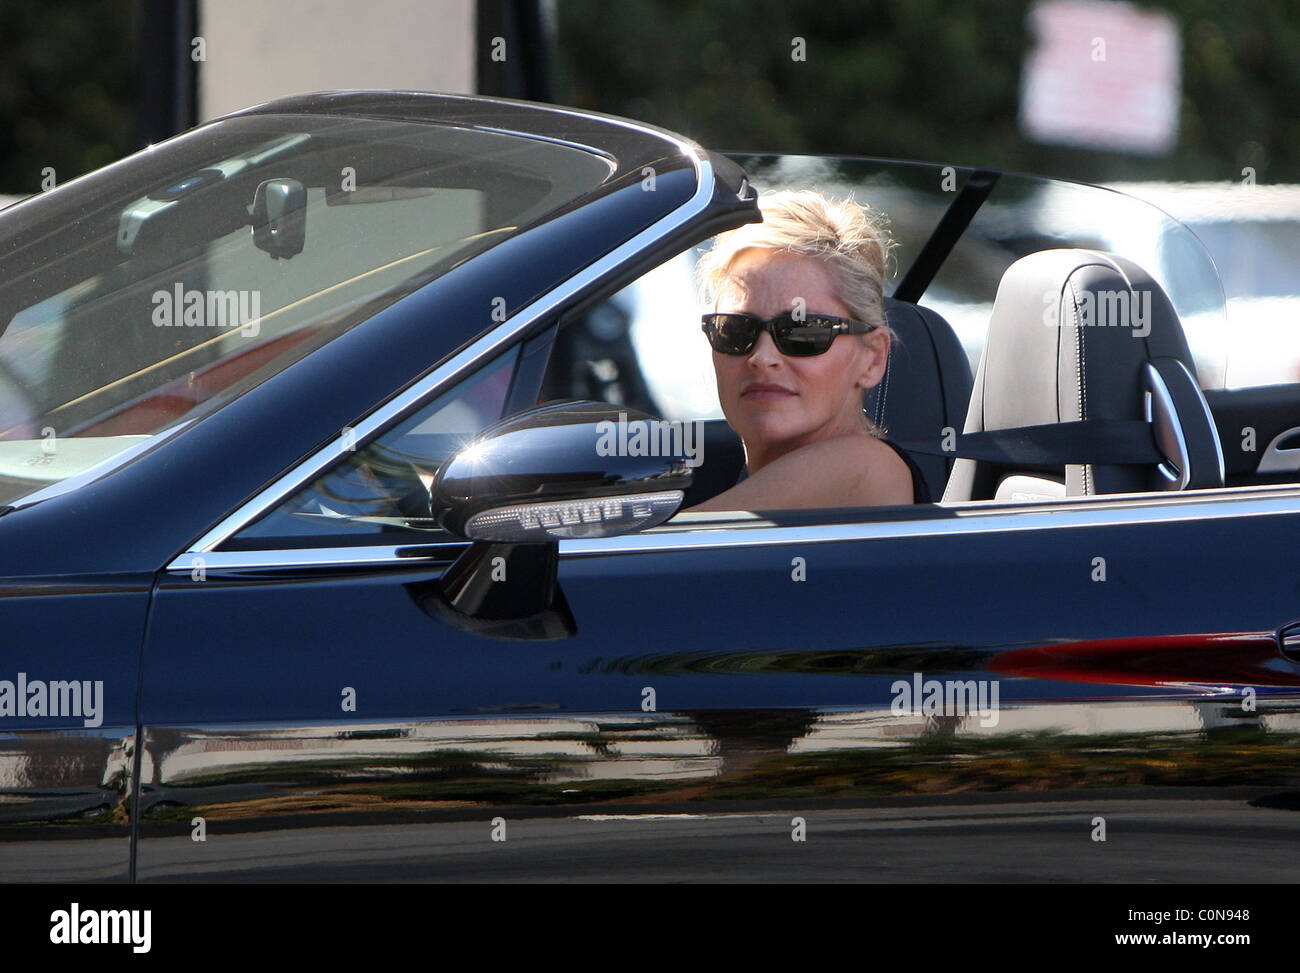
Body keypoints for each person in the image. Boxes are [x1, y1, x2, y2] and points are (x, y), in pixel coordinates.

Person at [687, 189, 928, 511]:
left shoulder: (861, 466)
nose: (762, 358)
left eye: (802, 332)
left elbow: (636, 558)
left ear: (872, 358)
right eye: (734, 329)